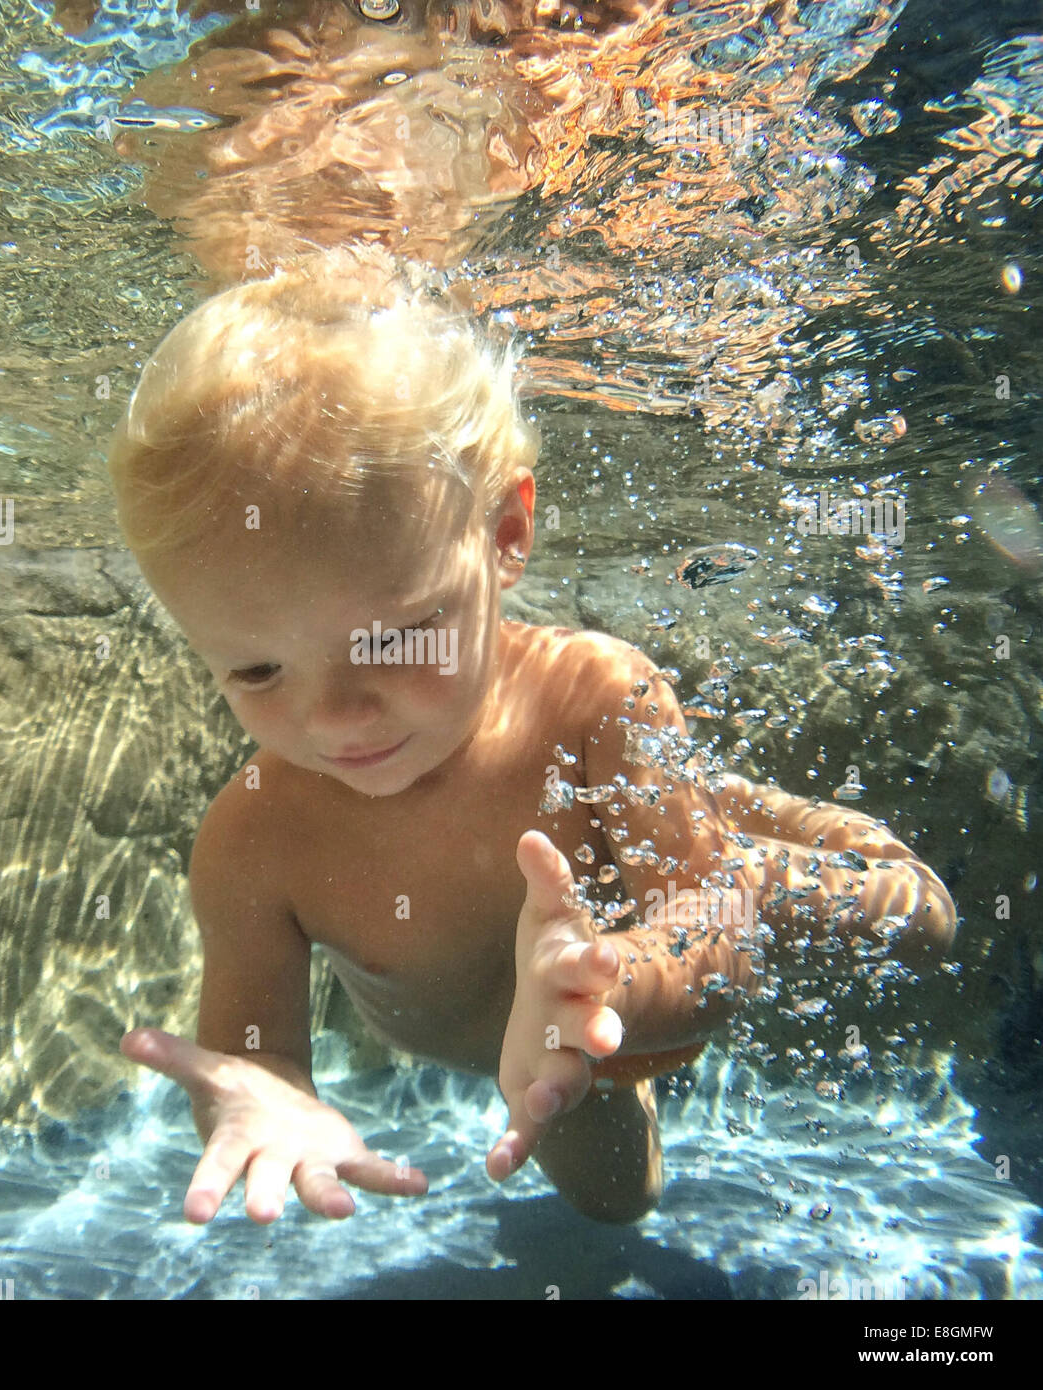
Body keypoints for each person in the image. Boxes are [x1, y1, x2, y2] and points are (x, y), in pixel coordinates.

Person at [108, 243, 957, 1224]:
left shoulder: (594, 700)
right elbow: (258, 1050)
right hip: (528, 1064)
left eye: (396, 635)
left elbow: (707, 936)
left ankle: (738, 834)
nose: (336, 715)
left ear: (505, 536)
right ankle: (703, 820)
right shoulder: (253, 838)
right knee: (618, 1206)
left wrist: (610, 988)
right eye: (257, 670)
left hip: (594, 1021)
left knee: (913, 923)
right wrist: (271, 1097)